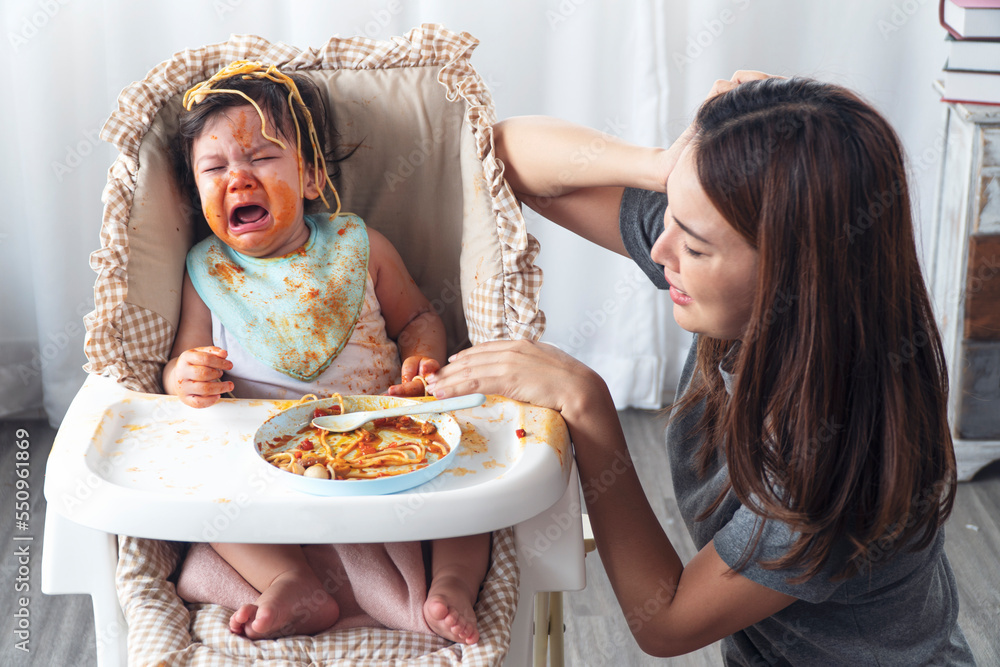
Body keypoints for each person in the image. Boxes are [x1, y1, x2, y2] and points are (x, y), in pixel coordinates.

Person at [426, 72, 976, 664]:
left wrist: (586, 405)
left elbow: (665, 625)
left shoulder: (836, 455)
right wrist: (664, 165)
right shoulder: (736, 264)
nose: (661, 252)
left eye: (693, 247)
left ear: (793, 275)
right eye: (671, 219)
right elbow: (505, 153)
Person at [162, 61, 487, 645]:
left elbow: (417, 317)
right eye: (215, 168)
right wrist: (185, 376)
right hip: (268, 458)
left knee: (471, 472)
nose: (237, 179)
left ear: (310, 176)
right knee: (201, 491)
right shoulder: (207, 272)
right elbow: (182, 365)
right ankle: (289, 578)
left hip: (384, 436)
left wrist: (422, 359)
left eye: (260, 158)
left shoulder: (360, 246)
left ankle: (453, 583)